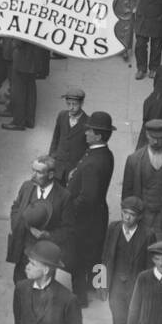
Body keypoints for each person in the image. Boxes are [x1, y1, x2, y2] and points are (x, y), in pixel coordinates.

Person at [65, 110, 116, 309]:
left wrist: (69, 211)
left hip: (85, 219)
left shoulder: (93, 162)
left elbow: (87, 197)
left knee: (78, 255)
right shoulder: (104, 153)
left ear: (98, 135)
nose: (85, 133)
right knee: (95, 253)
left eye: (89, 131)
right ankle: (95, 286)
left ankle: (80, 297)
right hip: (98, 214)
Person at [101, 196, 151, 324]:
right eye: (125, 213)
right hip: (116, 288)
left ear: (139, 217)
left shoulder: (147, 235)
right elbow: (105, 256)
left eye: (132, 215)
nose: (127, 218)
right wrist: (102, 284)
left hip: (136, 291)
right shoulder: (113, 228)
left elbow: (149, 268)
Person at [6, 154, 72, 285]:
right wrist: (18, 224)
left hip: (45, 254)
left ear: (51, 174)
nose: (34, 175)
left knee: (42, 289)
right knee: (20, 283)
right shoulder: (27, 187)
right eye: (33, 170)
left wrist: (47, 235)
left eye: (39, 172)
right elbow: (16, 207)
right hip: (24, 249)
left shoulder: (64, 197)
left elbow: (68, 229)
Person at [121, 118, 162, 242]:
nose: (155, 141)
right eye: (152, 137)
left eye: (160, 138)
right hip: (142, 215)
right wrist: (126, 213)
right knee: (141, 249)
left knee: (161, 250)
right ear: (146, 135)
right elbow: (127, 190)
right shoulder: (134, 160)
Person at [48, 86, 88, 185]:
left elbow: (88, 149)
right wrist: (52, 156)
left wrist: (78, 168)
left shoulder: (88, 122)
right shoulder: (62, 115)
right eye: (68, 104)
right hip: (58, 166)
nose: (71, 107)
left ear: (82, 103)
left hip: (73, 169)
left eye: (74, 104)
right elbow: (56, 137)